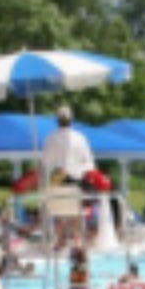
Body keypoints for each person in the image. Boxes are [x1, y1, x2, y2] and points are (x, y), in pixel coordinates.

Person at [41, 105, 95, 248]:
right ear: (71, 119)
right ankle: (76, 241)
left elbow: (46, 161)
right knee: (74, 212)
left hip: (58, 178)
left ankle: (61, 240)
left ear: (57, 120)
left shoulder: (51, 138)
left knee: (60, 211)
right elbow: (89, 162)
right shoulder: (80, 138)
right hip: (75, 178)